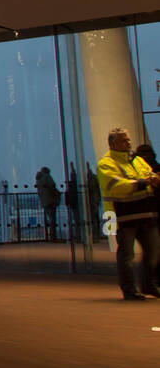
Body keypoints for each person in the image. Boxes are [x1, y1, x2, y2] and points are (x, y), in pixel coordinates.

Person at [95, 128, 160, 300]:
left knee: (154, 250)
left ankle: (149, 284)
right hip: (123, 215)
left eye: (129, 139)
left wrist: (154, 179)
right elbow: (116, 186)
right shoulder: (106, 163)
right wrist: (144, 183)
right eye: (124, 140)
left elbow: (149, 175)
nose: (128, 143)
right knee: (127, 255)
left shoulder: (137, 160)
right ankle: (130, 289)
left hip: (145, 213)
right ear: (112, 143)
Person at [34, 166, 60, 241]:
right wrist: (57, 195)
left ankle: (50, 237)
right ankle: (53, 237)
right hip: (51, 200)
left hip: (44, 201)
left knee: (49, 219)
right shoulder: (47, 177)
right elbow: (52, 187)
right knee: (53, 220)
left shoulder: (38, 180)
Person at [65, 164, 81, 241]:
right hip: (76, 204)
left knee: (72, 221)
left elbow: (66, 198)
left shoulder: (69, 189)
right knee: (78, 221)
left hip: (72, 205)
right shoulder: (75, 187)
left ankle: (73, 236)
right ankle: (78, 236)